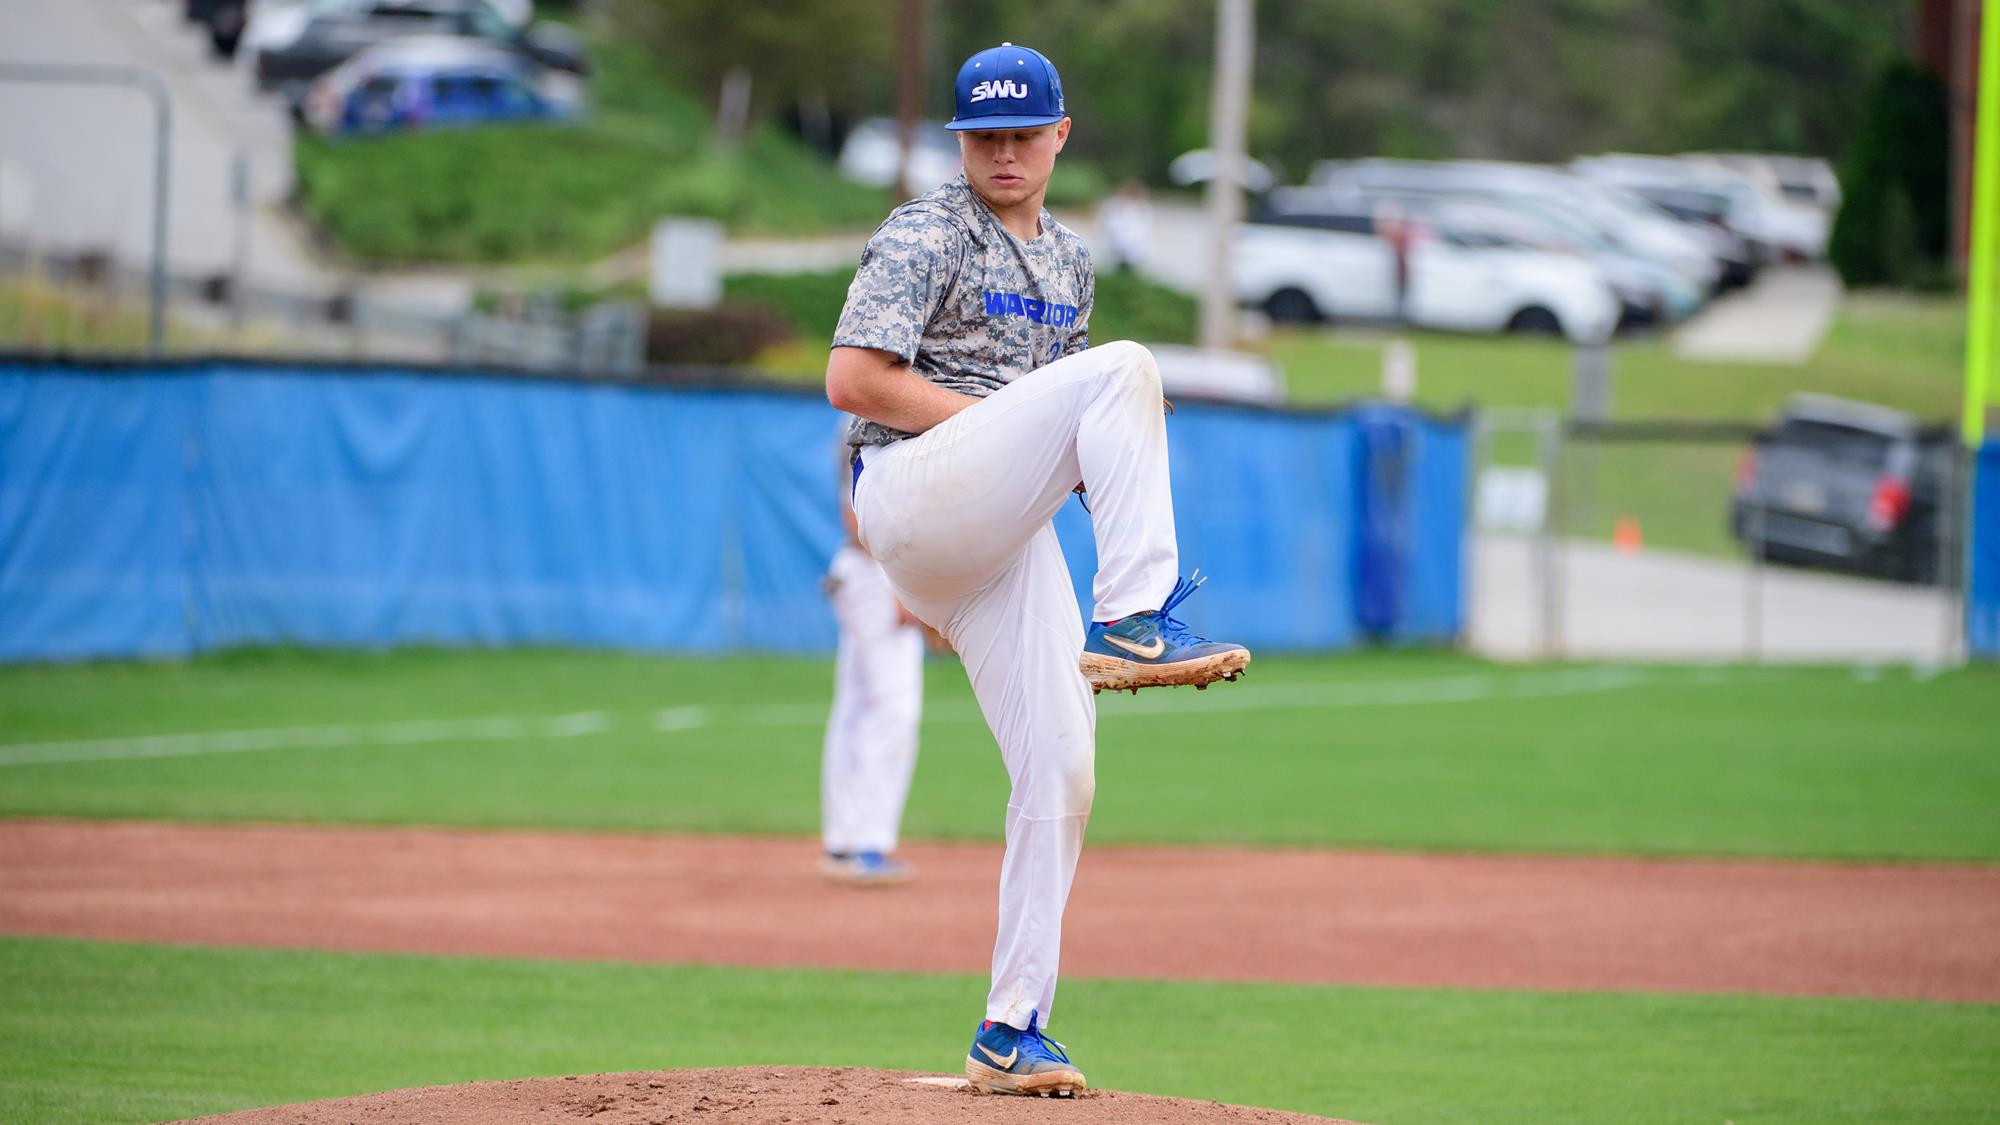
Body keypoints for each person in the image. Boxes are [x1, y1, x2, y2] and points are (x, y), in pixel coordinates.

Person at [824, 42, 1249, 1098]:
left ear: (1060, 135)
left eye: (1023, 133)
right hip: (910, 488)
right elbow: (852, 380)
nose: (1004, 151)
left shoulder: (1069, 262)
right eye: (985, 135)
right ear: (959, 140)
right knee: (1126, 368)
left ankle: (1011, 1028)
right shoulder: (928, 231)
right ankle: (1134, 617)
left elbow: (1061, 441)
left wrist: (1071, 443)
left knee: (1063, 767)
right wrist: (1024, 421)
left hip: (994, 532)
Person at [819, 434, 926, 886]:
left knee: (857, 710)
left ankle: (844, 841)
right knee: (893, 711)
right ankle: (868, 845)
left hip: (862, 572)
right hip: (875, 572)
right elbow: (856, 516)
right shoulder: (870, 412)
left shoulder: (857, 415)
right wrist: (903, 584)